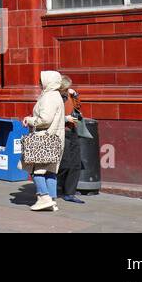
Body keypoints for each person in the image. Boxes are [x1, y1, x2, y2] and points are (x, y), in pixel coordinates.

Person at [22, 70, 67, 211]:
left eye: (42, 80)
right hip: (55, 138)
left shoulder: (48, 97)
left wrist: (30, 120)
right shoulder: (57, 95)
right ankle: (52, 200)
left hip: (44, 137)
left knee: (36, 169)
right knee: (50, 171)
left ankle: (44, 197)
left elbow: (45, 119)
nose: (40, 83)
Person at [57, 75, 86, 203]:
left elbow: (78, 107)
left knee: (75, 163)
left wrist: (75, 95)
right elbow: (52, 117)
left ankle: (70, 193)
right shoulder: (55, 98)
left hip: (72, 130)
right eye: (67, 87)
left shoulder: (69, 96)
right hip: (62, 132)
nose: (68, 89)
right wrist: (66, 118)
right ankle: (57, 185)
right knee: (65, 163)